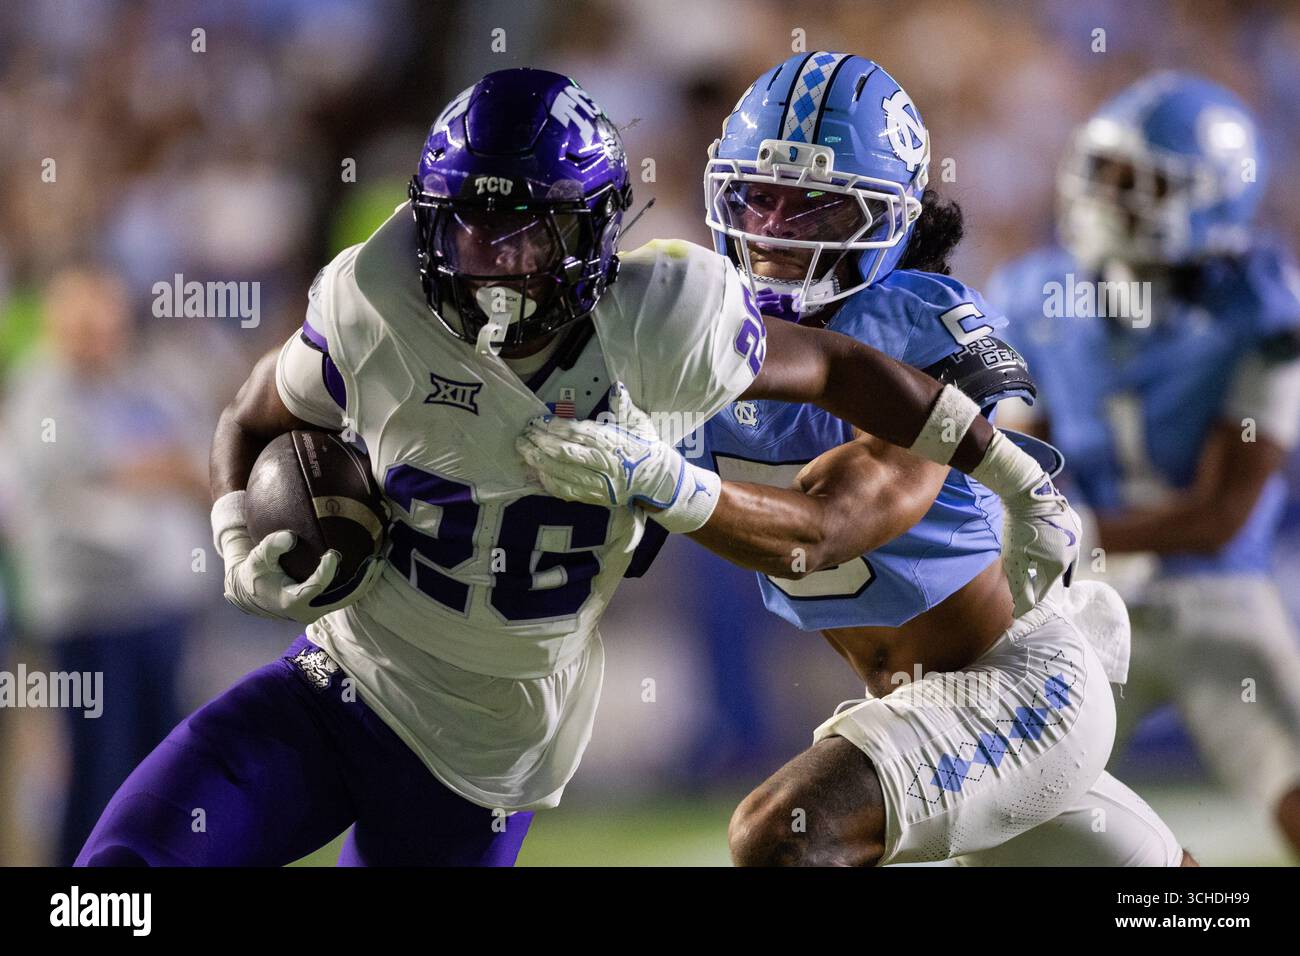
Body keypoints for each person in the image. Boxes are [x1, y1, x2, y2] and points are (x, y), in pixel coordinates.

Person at [78, 68, 1074, 867]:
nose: (499, 259)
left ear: (594, 230)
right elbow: (255, 413)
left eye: (532, 230)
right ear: (426, 223)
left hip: (486, 756)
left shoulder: (667, 321)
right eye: (472, 223)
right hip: (336, 681)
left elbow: (852, 384)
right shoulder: (373, 298)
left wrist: (1009, 472)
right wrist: (231, 528)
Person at [522, 53, 1188, 866]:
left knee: (782, 837)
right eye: (757, 198)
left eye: (816, 210)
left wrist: (655, 478)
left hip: (1019, 685)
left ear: (889, 219)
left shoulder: (918, 327)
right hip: (930, 702)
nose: (774, 233)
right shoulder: (696, 321)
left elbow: (830, 528)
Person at [988, 71, 1300, 858]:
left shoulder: (1263, 309)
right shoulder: (1039, 292)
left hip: (1217, 594)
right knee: (1000, 812)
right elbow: (1024, 460)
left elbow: (1223, 513)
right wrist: (1054, 527)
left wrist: (1077, 531)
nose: (1107, 194)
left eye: (1138, 180)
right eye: (1103, 171)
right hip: (1081, 601)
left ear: (1213, 195)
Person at [3, 268, 209, 863]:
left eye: (108, 322)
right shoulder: (41, 391)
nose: (101, 335)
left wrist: (164, 468)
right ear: (59, 323)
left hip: (155, 604)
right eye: (87, 323)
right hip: (88, 614)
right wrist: (159, 469)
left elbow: (188, 457)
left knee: (158, 767)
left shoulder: (136, 383)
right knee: (99, 772)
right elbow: (83, 475)